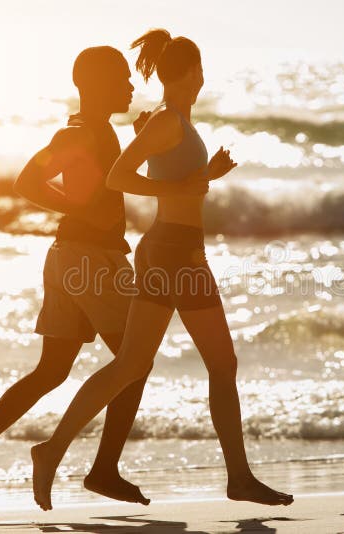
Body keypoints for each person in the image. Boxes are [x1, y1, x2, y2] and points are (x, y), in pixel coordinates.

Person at [30, 29, 294, 510]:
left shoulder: (172, 121)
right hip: (175, 253)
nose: (202, 76)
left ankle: (52, 450)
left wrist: (205, 176)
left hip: (170, 251)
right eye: (200, 68)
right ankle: (239, 478)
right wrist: (182, 184)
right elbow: (119, 177)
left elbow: (175, 177)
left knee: (133, 365)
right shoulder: (168, 120)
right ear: (192, 72)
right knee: (218, 365)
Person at [0, 46, 202, 506]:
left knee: (53, 370)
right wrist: (81, 210)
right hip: (91, 261)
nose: (130, 86)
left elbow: (99, 182)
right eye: (121, 78)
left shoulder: (96, 129)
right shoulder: (81, 132)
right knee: (135, 363)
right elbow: (27, 182)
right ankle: (103, 469)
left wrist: (136, 149)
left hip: (70, 258)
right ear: (95, 84)